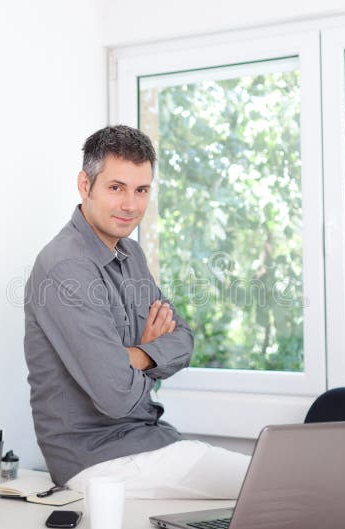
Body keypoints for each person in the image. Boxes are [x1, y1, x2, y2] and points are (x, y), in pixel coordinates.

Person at [24, 125, 250, 498]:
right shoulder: (66, 267)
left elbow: (184, 340)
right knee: (278, 483)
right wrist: (148, 356)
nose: (131, 205)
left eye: (141, 190)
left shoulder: (130, 254)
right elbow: (114, 395)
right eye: (116, 188)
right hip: (97, 460)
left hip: (147, 442)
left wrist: (136, 355)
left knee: (278, 484)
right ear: (85, 185)